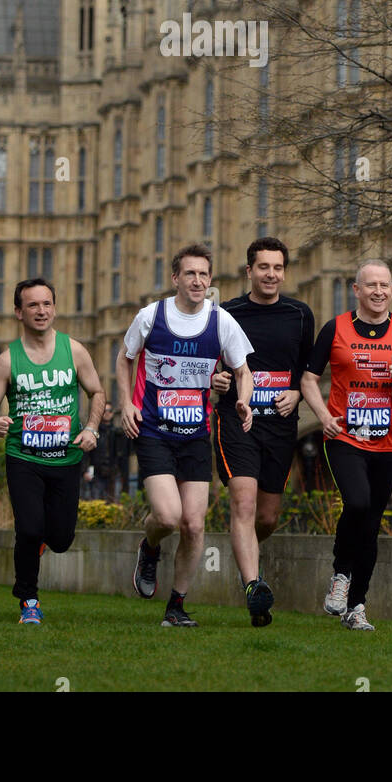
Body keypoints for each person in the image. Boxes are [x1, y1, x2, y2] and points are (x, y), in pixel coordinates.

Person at [116, 244, 254, 626]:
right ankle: (150, 545)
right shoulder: (151, 316)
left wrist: (243, 401)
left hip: (195, 434)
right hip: (154, 429)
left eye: (203, 274)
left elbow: (243, 370)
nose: (197, 280)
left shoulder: (221, 321)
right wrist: (126, 403)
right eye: (190, 273)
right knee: (168, 515)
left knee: (194, 524)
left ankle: (175, 607)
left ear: (211, 281)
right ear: (176, 278)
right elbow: (125, 358)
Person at [301, 259, 392, 631]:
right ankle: (340, 574)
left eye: (385, 285)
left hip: (389, 443)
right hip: (345, 436)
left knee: (371, 523)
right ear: (357, 290)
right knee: (358, 502)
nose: (378, 291)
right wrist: (323, 415)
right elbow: (308, 378)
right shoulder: (336, 328)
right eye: (371, 285)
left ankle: (357, 607)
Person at [0, 277, 104, 623]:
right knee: (30, 529)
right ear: (19, 312)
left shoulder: (75, 350)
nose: (41, 310)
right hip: (24, 458)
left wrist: (92, 427)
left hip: (66, 457)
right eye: (33, 305)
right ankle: (28, 600)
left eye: (47, 303)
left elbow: (97, 392)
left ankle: (40, 544)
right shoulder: (6, 360)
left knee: (61, 539)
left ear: (55, 308)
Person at [211, 237, 315, 627]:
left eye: (277, 268)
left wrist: (294, 393)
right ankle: (254, 587)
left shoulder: (300, 315)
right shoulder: (226, 313)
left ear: (284, 272)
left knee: (266, 517)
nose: (271, 274)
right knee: (244, 504)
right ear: (249, 271)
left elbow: (308, 370)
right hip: (238, 420)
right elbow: (207, 363)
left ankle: (245, 551)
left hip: (280, 425)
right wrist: (217, 380)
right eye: (263, 267)